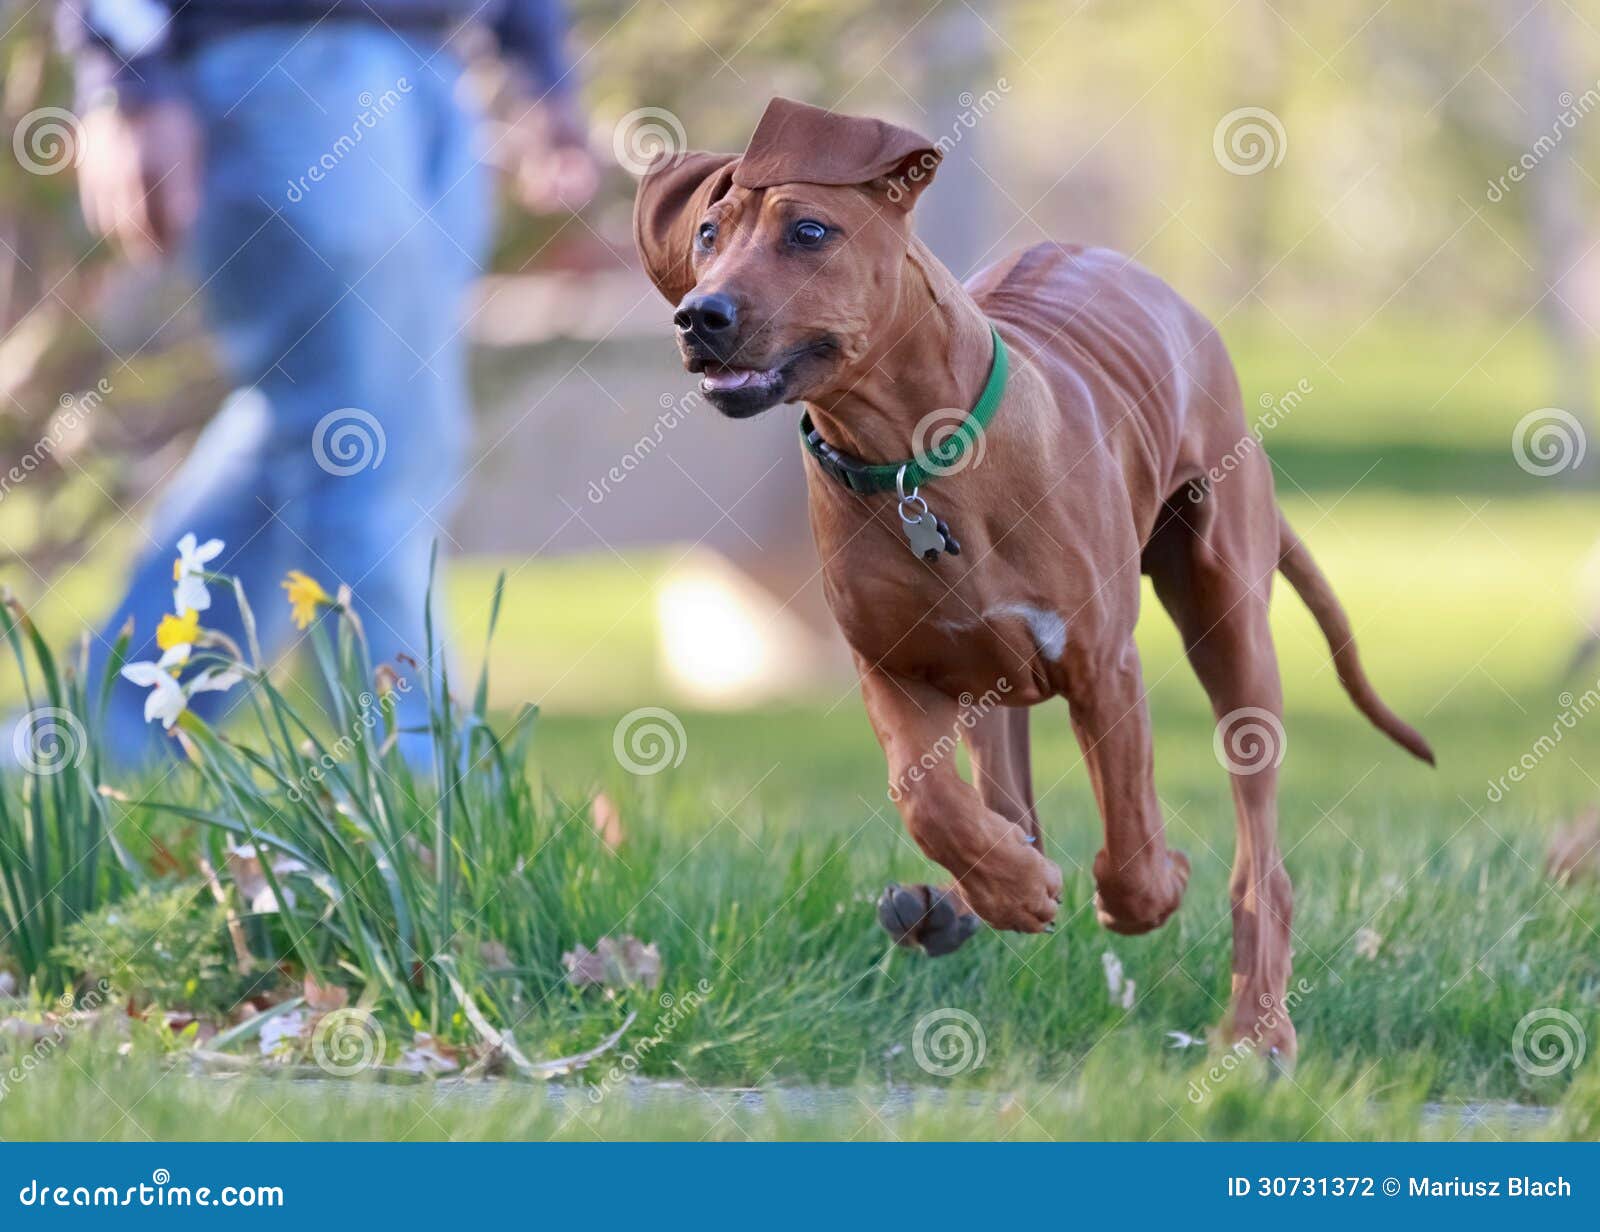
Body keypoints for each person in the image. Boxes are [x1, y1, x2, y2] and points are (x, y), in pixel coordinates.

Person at [58, 0, 597, 763]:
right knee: (376, 441)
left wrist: (541, 65)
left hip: (437, 62)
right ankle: (417, 800)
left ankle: (108, 736)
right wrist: (127, 75)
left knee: (315, 425)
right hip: (277, 60)